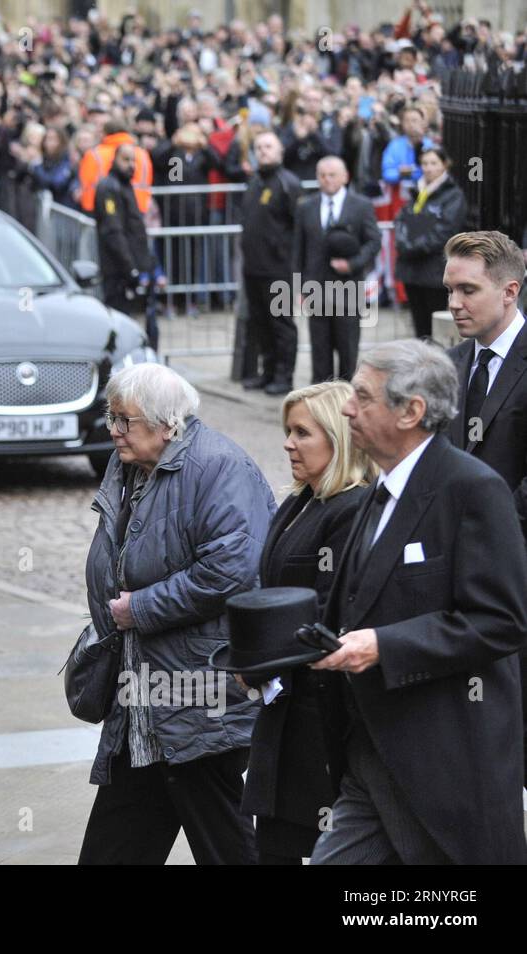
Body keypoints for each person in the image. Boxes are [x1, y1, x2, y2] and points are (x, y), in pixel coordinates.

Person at [310, 339, 527, 864]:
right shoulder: (377, 492)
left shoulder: (472, 489)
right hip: (368, 757)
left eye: (362, 396)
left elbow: (500, 621)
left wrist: (386, 646)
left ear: (411, 411)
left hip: (445, 768)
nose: (346, 408)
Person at [81, 362, 274, 864]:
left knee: (226, 844)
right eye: (112, 416)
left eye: (126, 420)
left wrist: (139, 608)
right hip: (142, 702)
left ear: (168, 425)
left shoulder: (219, 468)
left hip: (197, 700)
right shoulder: (128, 464)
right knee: (114, 845)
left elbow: (233, 568)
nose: (114, 430)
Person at [241, 381, 374, 864]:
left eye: (302, 433)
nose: (288, 443)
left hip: (318, 721)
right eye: (287, 431)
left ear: (338, 437)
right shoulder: (300, 501)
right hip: (283, 714)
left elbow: (327, 613)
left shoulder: (352, 508)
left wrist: (262, 659)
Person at [441, 230, 527, 783]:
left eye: (468, 290)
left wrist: (488, 528)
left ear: (509, 291)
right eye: (449, 289)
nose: (453, 304)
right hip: (455, 581)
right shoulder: (448, 366)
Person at [291, 156, 382, 384]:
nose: (327, 179)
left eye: (332, 175)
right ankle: (320, 398)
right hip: (316, 289)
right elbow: (298, 250)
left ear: (345, 177)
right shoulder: (306, 207)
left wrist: (352, 264)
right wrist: (299, 287)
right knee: (319, 349)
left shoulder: (361, 206)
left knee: (347, 347)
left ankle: (345, 399)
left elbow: (373, 242)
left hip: (348, 289)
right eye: (322, 175)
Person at [239, 131, 302, 395]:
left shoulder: (288, 183)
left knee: (281, 323)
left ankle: (284, 376)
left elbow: (299, 227)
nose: (263, 151)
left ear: (280, 151)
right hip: (254, 267)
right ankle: (267, 372)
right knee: (260, 322)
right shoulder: (254, 182)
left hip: (280, 268)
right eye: (258, 147)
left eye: (268, 146)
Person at [394, 146, 466, 339]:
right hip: (412, 268)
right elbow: (402, 218)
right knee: (419, 325)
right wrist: (403, 241)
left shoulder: (453, 195)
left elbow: (445, 230)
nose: (428, 168)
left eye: (433, 163)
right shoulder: (417, 191)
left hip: (434, 269)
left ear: (444, 165)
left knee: (433, 327)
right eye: (424, 163)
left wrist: (414, 246)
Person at [94, 143, 157, 348]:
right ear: (115, 160)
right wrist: (130, 267)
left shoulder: (124, 185)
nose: (131, 165)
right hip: (119, 269)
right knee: (120, 327)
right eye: (126, 159)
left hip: (132, 265)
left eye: (133, 161)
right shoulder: (109, 187)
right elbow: (114, 231)